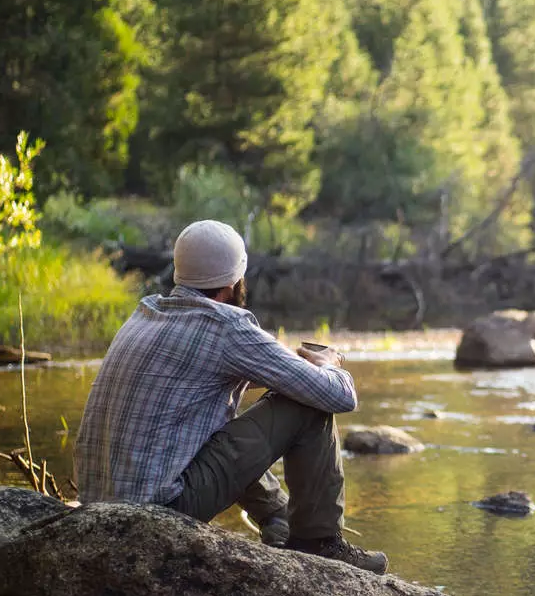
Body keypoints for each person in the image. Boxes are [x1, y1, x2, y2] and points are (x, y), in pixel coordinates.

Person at [73, 220, 387, 574]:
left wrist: (283, 367)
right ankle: (319, 543)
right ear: (234, 281)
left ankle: (278, 518)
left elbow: (199, 380)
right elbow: (339, 396)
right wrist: (331, 365)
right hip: (158, 514)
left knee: (215, 414)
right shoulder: (226, 326)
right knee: (306, 404)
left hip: (97, 511)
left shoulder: (146, 312)